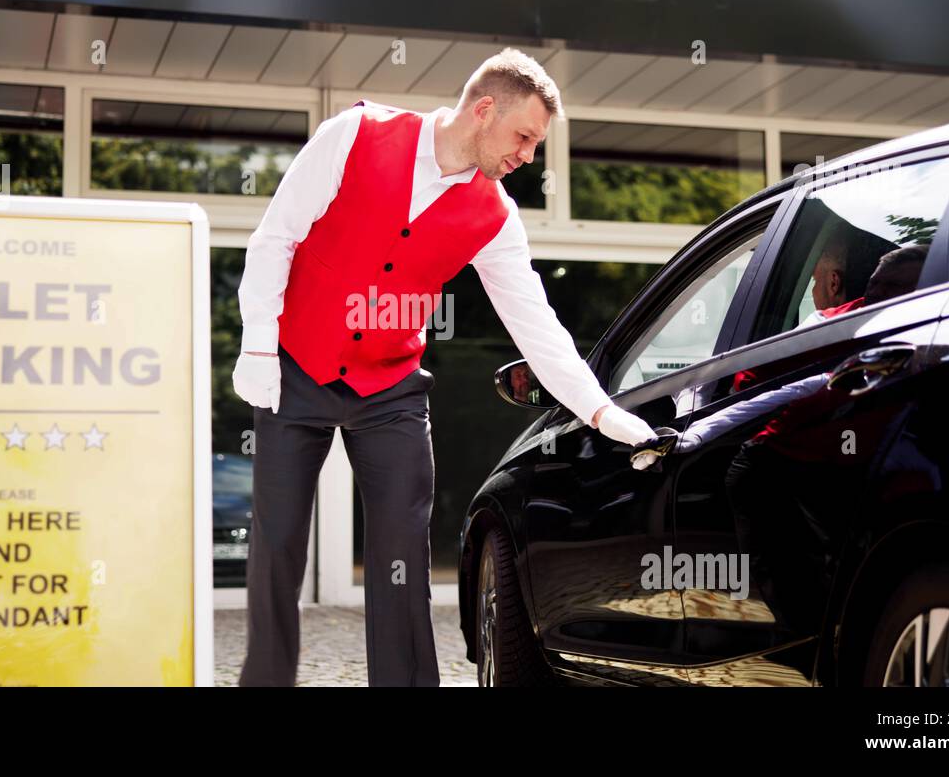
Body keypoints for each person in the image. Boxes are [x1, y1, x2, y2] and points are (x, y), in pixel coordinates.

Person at [231, 48, 657, 686]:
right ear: (484, 110)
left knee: (401, 558)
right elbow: (276, 239)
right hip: (295, 368)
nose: (528, 156)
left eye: (536, 144)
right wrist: (259, 348)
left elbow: (535, 324)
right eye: (524, 137)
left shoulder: (494, 215)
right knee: (278, 547)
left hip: (391, 388)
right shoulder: (354, 135)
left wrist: (601, 410)